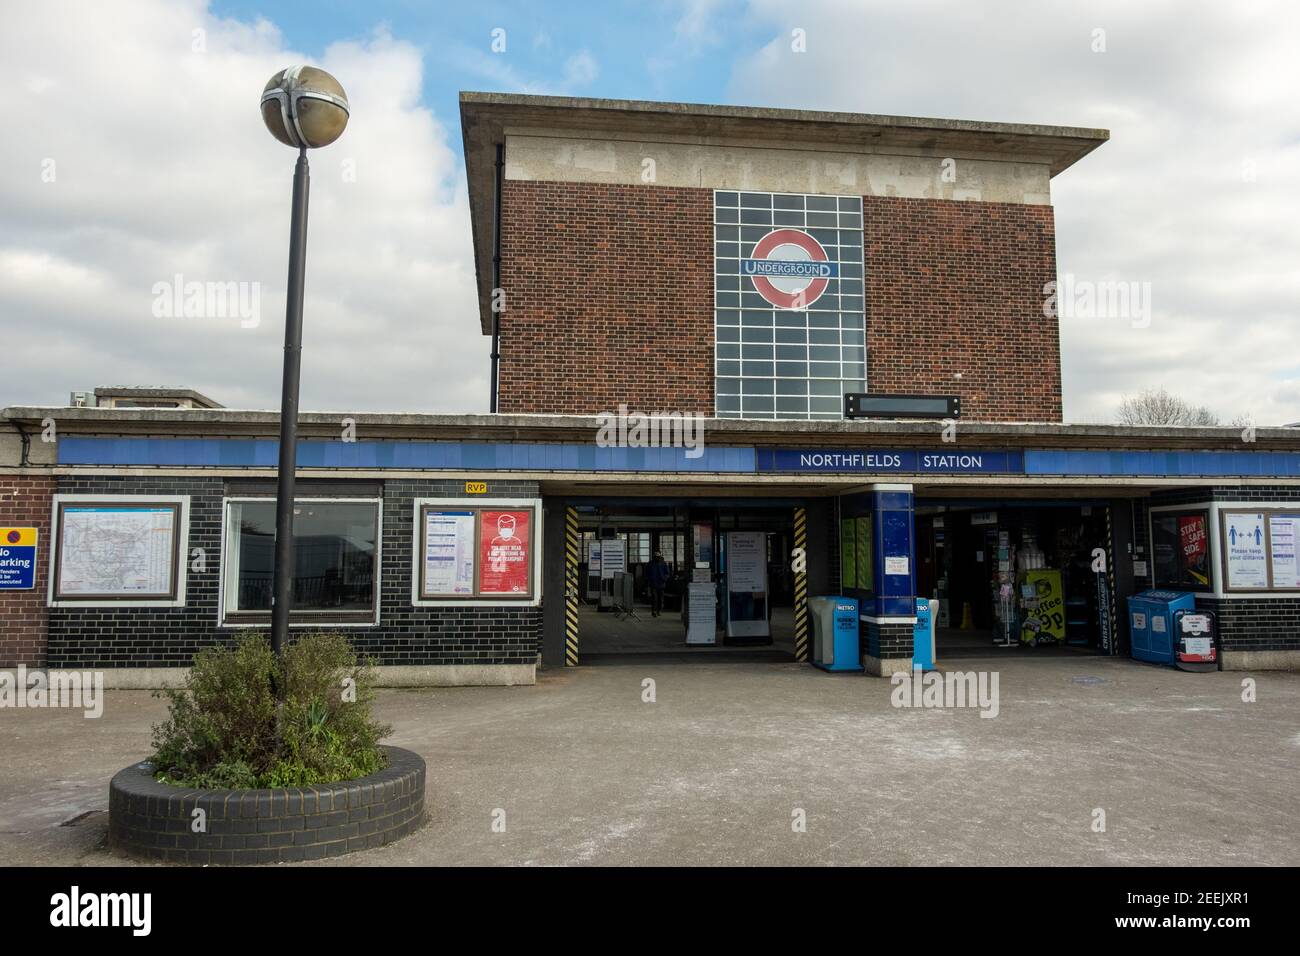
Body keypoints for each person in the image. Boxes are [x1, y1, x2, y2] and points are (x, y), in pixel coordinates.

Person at [646, 551, 671, 617]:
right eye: (656, 556)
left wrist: (664, 579)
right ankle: (654, 611)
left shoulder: (663, 563)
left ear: (660, 556)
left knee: (660, 599)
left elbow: (667, 573)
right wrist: (649, 580)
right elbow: (647, 573)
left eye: (658, 556)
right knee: (654, 598)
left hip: (661, 584)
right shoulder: (650, 564)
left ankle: (659, 610)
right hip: (653, 584)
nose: (657, 557)